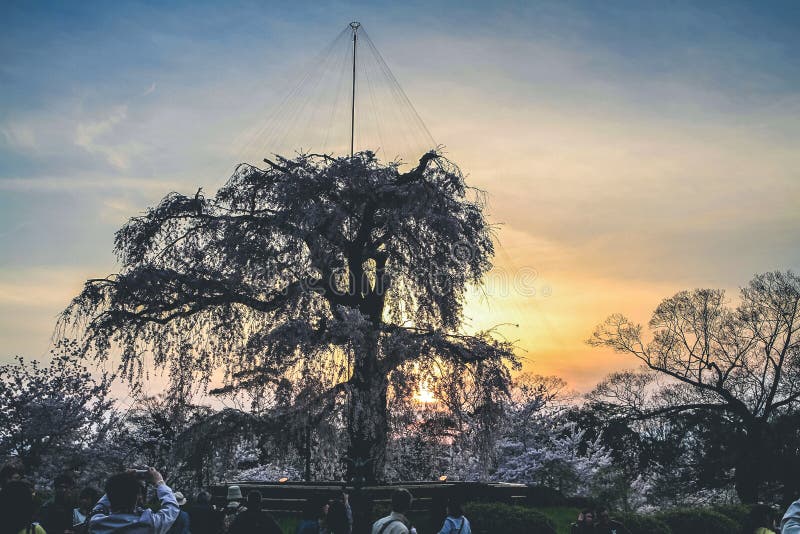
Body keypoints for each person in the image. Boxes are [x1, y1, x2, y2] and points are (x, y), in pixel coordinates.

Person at [87, 467, 179, 534]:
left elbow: (100, 506)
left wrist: (119, 482)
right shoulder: (150, 524)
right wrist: (160, 482)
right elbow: (172, 507)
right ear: (137, 497)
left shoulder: (96, 523)